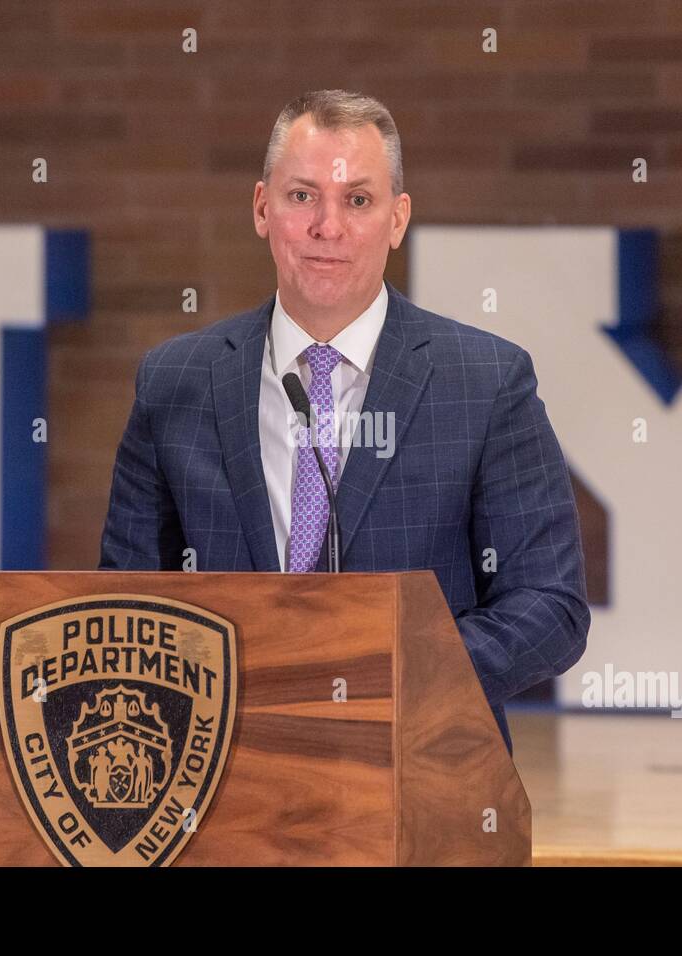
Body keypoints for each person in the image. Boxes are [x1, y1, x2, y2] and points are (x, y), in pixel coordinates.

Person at [99, 89, 590, 755]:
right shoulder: (174, 381)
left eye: (358, 200)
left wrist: (379, 675)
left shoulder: (486, 381)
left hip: (422, 769)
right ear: (261, 208)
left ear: (397, 219)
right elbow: (124, 607)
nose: (328, 226)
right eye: (303, 196)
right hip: (217, 779)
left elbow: (550, 611)